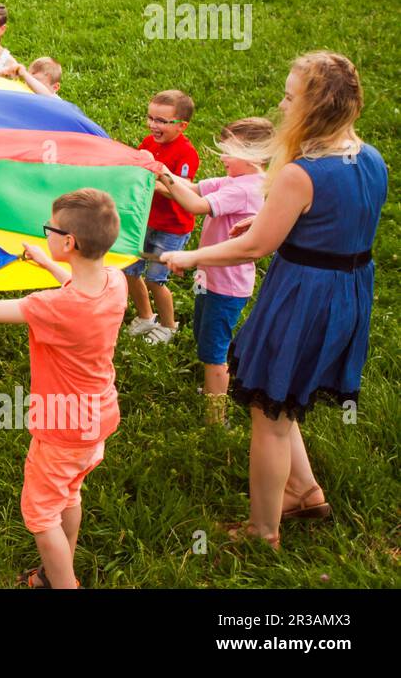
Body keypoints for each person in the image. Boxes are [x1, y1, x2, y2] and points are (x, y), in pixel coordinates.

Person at [162, 52, 387, 549]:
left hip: (303, 298)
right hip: (347, 294)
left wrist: (191, 257)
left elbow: (253, 247)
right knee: (281, 399)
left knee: (268, 420)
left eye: (289, 96)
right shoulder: (370, 157)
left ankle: (262, 531)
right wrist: (271, 225)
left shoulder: (300, 173)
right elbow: (336, 226)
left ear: (313, 107)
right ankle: (305, 490)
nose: (282, 104)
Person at [0, 189, 125, 589]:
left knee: (40, 515)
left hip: (62, 428)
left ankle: (64, 584)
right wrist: (45, 263)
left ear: (69, 242)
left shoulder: (54, 306)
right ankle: (60, 570)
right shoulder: (115, 282)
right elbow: (78, 283)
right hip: (99, 417)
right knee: (69, 494)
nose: (47, 235)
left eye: (50, 230)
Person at [157, 117, 272, 425]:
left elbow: (194, 205)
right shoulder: (236, 179)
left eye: (229, 151)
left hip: (226, 285)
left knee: (213, 349)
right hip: (209, 279)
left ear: (256, 156)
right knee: (202, 334)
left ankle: (215, 419)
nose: (222, 157)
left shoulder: (246, 189)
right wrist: (160, 174)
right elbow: (192, 187)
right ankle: (214, 386)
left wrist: (163, 177)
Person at [124, 89, 199, 344]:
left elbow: (183, 190)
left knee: (156, 279)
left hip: (172, 228)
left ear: (182, 125)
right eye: (150, 118)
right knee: (130, 271)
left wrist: (152, 183)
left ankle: (169, 325)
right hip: (145, 221)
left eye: (161, 121)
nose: (153, 125)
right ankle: (146, 316)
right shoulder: (148, 143)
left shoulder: (186, 153)